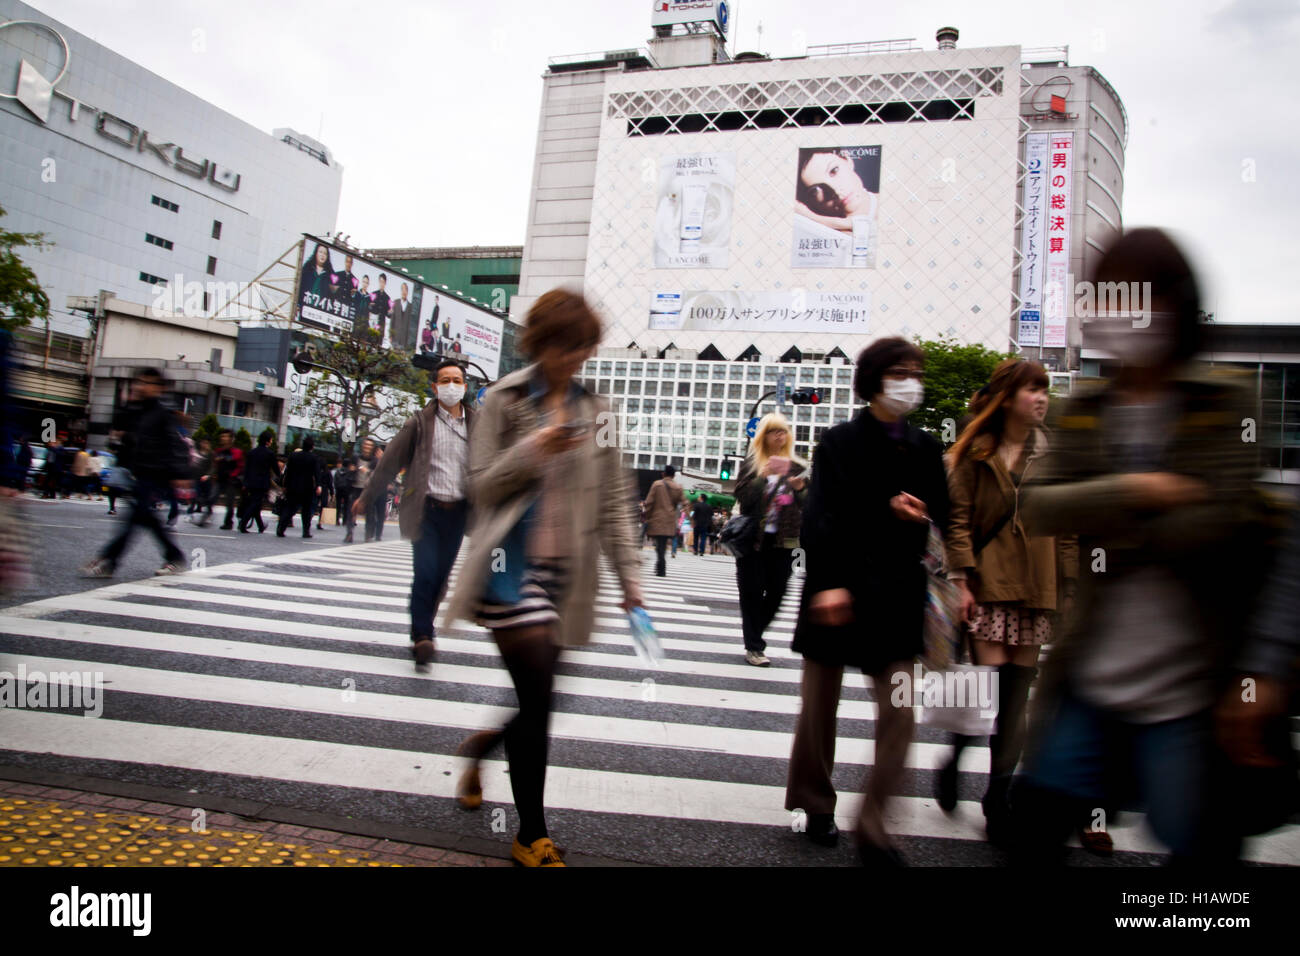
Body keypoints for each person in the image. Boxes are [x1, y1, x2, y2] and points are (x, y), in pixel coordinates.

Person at [1011, 228, 1278, 866]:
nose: (1118, 310)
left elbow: (1220, 526)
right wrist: (1146, 487)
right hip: (1094, 673)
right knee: (1030, 830)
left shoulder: (1228, 402)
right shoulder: (1086, 409)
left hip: (1190, 687)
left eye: (1138, 294)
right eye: (1106, 294)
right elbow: (1040, 505)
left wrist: (1108, 510)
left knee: (1198, 850)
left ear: (1177, 306)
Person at [444, 289, 643, 867]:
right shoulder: (503, 400)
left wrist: (631, 577)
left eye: (584, 346)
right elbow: (479, 486)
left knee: (538, 695)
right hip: (508, 567)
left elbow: (612, 499)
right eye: (565, 346)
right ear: (539, 343)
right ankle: (532, 833)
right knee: (539, 690)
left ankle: (485, 746)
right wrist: (533, 448)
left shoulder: (597, 411)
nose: (576, 357)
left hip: (568, 575)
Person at [784, 337, 949, 865]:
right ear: (875, 378)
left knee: (900, 711)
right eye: (900, 371)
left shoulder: (925, 448)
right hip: (839, 587)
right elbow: (821, 518)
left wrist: (924, 515)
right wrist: (831, 579)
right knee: (819, 708)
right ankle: (815, 802)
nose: (911, 381)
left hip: (899, 596)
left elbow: (944, 514)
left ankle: (874, 823)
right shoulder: (838, 442)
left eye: (916, 371)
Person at [936, 359, 1091, 848]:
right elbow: (958, 522)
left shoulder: (1055, 454)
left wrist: (1067, 589)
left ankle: (996, 794)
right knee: (986, 690)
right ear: (1007, 397)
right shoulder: (975, 451)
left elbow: (1068, 528)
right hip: (989, 584)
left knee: (1016, 699)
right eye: (1031, 390)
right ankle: (958, 751)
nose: (1041, 398)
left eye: (1044, 389)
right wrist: (962, 582)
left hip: (1037, 587)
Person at [355, 359, 474, 666]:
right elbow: (390, 462)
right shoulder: (419, 423)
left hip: (459, 512)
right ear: (434, 387)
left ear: (465, 385)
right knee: (425, 572)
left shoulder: (478, 423)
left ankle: (424, 626)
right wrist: (367, 497)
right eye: (445, 380)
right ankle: (422, 635)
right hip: (427, 510)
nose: (451, 386)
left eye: (456, 380)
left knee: (441, 578)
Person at [81, 369, 192, 578]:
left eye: (148, 383)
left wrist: (180, 473)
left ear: (160, 388)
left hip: (156, 474)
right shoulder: (137, 411)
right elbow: (121, 431)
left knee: (134, 519)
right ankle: (175, 557)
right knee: (147, 519)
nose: (142, 386)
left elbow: (176, 445)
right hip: (138, 473)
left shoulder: (162, 414)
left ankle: (109, 560)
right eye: (140, 382)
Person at [733, 413, 809, 667]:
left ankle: (755, 633)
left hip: (783, 541)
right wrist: (762, 477)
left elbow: (809, 503)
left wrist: (800, 490)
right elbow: (744, 499)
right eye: (774, 431)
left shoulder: (796, 466)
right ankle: (754, 646)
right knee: (751, 594)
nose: (780, 435)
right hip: (752, 540)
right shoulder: (752, 463)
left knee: (777, 592)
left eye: (783, 431)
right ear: (763, 436)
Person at [794, 147, 879, 233]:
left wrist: (812, 217)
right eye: (815, 190)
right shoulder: (821, 233)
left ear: (847, 159)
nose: (836, 191)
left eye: (833, 171)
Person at [277, 437, 322, 538]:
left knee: (289, 509)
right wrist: (318, 485)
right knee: (306, 511)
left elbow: (288, 472)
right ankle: (306, 532)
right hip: (307, 488)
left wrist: (285, 485)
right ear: (312, 447)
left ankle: (281, 528)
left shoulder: (293, 456)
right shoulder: (314, 458)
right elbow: (317, 473)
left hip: (293, 486)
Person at [643, 464, 684, 577]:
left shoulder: (657, 485)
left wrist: (647, 516)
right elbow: (685, 503)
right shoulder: (678, 487)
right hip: (670, 521)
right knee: (663, 543)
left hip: (657, 519)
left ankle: (661, 564)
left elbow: (649, 502)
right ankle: (660, 563)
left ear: (663, 473)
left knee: (659, 544)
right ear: (674, 475)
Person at [201, 429, 243, 529]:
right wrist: (212, 475)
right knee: (211, 498)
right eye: (222, 436)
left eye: (226, 436)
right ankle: (205, 517)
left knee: (229, 502)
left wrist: (233, 475)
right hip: (219, 479)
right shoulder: (218, 451)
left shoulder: (236, 452)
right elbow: (215, 465)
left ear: (231, 439)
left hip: (231, 481)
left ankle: (228, 522)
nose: (223, 438)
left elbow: (240, 466)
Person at [238, 431, 277, 533]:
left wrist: (245, 483)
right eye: (271, 440)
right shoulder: (270, 454)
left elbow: (246, 469)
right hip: (262, 483)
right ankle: (243, 523)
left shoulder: (252, 452)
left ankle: (260, 526)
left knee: (256, 504)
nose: (272, 442)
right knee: (255, 503)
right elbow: (276, 469)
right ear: (268, 441)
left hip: (250, 482)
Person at [334, 457, 361, 543]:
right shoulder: (351, 471)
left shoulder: (338, 471)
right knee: (347, 507)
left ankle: (337, 519)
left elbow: (335, 480)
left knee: (338, 505)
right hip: (347, 491)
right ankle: (345, 521)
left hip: (339, 490)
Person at [390, 282, 416, 352]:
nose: (404, 292)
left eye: (406, 290)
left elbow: (410, 325)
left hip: (404, 338)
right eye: (403, 289)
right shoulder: (396, 302)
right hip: (395, 336)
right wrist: (390, 335)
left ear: (407, 292)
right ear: (401, 291)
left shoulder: (410, 306)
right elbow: (392, 320)